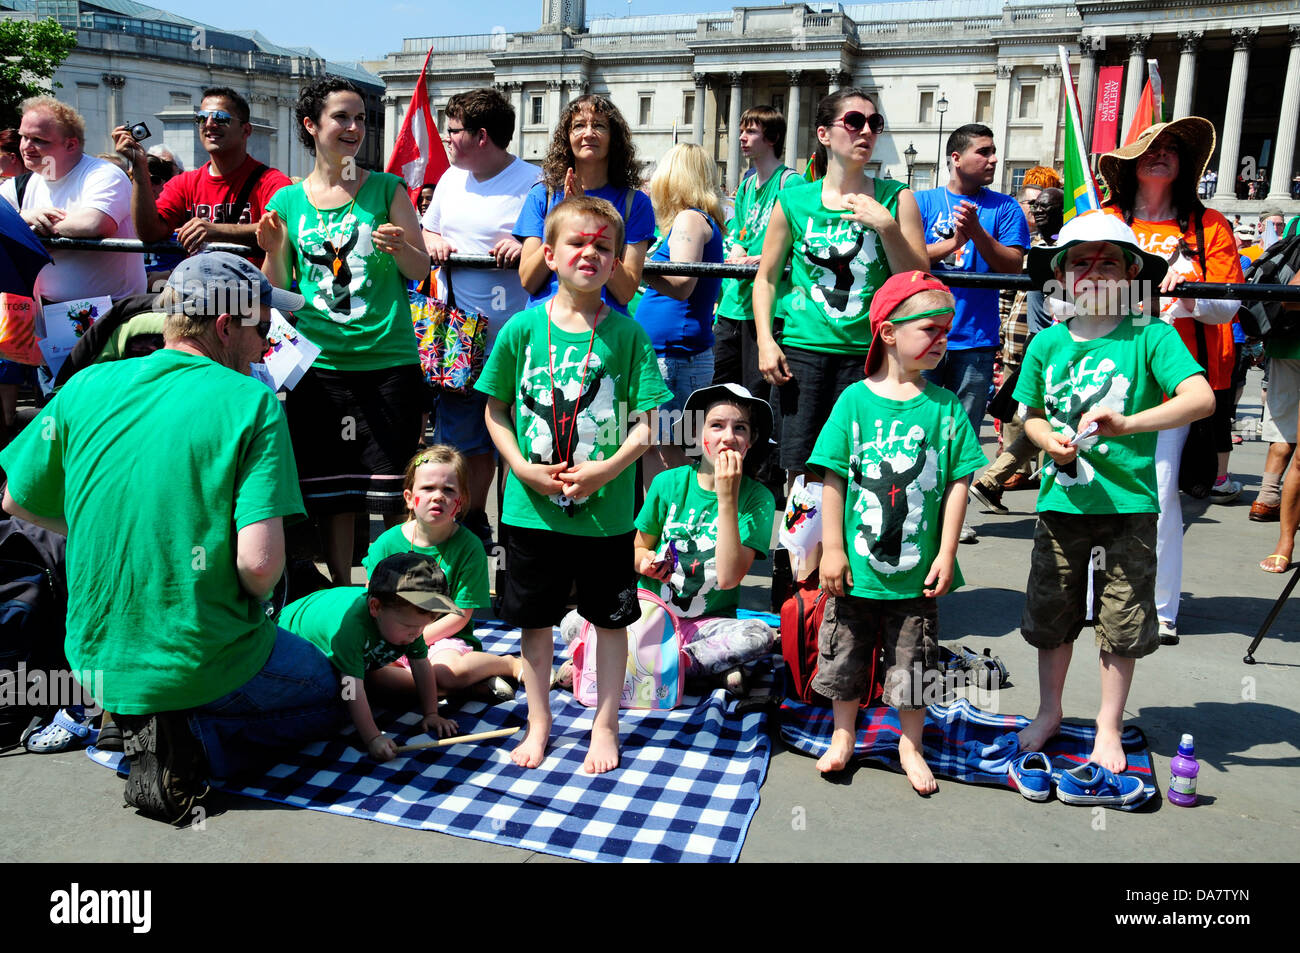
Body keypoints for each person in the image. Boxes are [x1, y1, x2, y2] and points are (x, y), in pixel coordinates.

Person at [0, 252, 344, 822]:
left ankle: (136, 717)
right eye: (263, 328)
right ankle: (190, 739)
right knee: (328, 695)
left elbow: (17, 500)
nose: (268, 346)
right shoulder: (253, 402)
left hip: (94, 662)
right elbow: (259, 569)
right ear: (226, 326)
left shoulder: (87, 383)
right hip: (201, 657)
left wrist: (100, 527)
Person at [476, 195, 672, 774]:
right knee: (534, 623)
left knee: (611, 621)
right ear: (550, 254)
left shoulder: (629, 335)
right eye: (577, 243)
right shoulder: (520, 329)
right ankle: (540, 722)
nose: (590, 253)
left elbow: (650, 424)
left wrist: (607, 471)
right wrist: (521, 468)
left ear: (616, 263)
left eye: (603, 247)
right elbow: (496, 411)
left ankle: (605, 724)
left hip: (605, 516)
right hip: (531, 513)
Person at [1014, 212, 1213, 772]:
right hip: (1060, 503)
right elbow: (1028, 416)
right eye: (1081, 261)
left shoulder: (1152, 335)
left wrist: (1130, 424)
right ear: (1062, 275)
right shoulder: (1047, 342)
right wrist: (1046, 438)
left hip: (1129, 506)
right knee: (1052, 614)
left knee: (1122, 620)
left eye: (1109, 261)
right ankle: (1049, 710)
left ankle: (1108, 725)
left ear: (1131, 274)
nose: (1094, 271)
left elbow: (1200, 399)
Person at [806, 271, 986, 792]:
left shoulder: (946, 406)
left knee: (915, 659)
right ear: (888, 333)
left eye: (947, 331)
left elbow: (958, 482)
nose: (941, 341)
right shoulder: (854, 402)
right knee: (844, 649)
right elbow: (833, 478)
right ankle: (844, 734)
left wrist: (948, 553)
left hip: (915, 572)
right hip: (856, 568)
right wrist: (833, 550)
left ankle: (912, 744)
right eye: (930, 328)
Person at [258, 77, 429, 585]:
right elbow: (279, 291)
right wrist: (270, 249)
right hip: (319, 368)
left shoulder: (387, 188)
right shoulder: (288, 200)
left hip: (388, 362)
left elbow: (420, 271)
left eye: (360, 118)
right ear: (312, 125)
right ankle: (341, 592)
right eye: (342, 117)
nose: (355, 128)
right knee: (335, 494)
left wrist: (401, 247)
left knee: (396, 487)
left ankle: (402, 589)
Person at [753, 88, 928, 576]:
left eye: (876, 123)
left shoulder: (898, 199)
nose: (868, 131)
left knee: (867, 469)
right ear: (825, 133)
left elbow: (919, 283)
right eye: (855, 121)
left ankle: (860, 578)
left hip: (872, 356)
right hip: (805, 354)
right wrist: (767, 339)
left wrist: (887, 227)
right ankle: (796, 585)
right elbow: (766, 277)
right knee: (804, 474)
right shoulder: (794, 201)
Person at [1099, 118, 1244, 644]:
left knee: (1160, 495)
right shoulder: (1102, 221)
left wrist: (1186, 296)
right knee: (1095, 490)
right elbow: (1061, 291)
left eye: (1170, 151)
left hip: (1170, 384)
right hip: (1098, 375)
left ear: (1183, 166)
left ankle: (1158, 607)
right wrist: (1138, 295)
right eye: (1149, 149)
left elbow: (1227, 305)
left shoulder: (1210, 227)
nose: (1160, 156)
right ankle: (1098, 597)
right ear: (1131, 164)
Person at [558, 384, 777, 692]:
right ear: (699, 435)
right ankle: (700, 670)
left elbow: (728, 578)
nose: (728, 437)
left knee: (759, 635)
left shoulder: (758, 499)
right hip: (647, 615)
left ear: (751, 441)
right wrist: (645, 562)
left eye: (739, 428)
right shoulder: (667, 482)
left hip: (705, 626)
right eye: (717, 426)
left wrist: (727, 497)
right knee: (571, 622)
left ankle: (665, 663)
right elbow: (636, 549)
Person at [421, 87, 540, 543]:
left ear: (482, 136)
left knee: (522, 439)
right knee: (462, 440)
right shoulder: (451, 178)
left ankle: (518, 531)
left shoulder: (533, 182)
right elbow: (429, 224)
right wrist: (431, 239)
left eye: (453, 131)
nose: (447, 139)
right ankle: (471, 525)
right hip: (458, 336)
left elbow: (549, 238)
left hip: (517, 338)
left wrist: (523, 243)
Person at [915, 123, 1031, 543]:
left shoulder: (1005, 208)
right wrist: (952, 243)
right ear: (955, 157)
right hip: (921, 337)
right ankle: (914, 507)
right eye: (984, 151)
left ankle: (953, 514)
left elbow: (1013, 267)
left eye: (995, 151)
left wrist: (977, 233)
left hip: (976, 340)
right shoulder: (921, 201)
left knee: (960, 432)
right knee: (919, 426)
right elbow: (906, 257)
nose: (994, 159)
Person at [360, 446, 523, 698]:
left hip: (445, 638)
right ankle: (459, 690)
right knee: (373, 675)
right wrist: (396, 639)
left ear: (461, 503)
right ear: (408, 497)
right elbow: (372, 601)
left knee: (446, 673)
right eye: (427, 488)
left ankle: (508, 664)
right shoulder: (386, 543)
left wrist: (414, 640)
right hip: (393, 635)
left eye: (448, 490)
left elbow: (460, 614)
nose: (438, 496)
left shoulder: (469, 546)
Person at [278, 552, 462, 762]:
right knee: (334, 701)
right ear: (375, 607)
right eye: (409, 627)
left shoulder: (409, 624)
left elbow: (421, 664)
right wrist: (373, 737)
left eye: (423, 626)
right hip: (289, 637)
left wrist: (431, 713)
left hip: (327, 621)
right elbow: (351, 688)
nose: (417, 633)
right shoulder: (350, 631)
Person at [970, 186, 1064, 515]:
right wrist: (1002, 334)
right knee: (1031, 419)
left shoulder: (1068, 249)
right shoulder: (1034, 251)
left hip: (1041, 345)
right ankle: (997, 478)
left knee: (1039, 420)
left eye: (1046, 207)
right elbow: (1009, 294)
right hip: (1031, 344)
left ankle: (996, 479)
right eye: (1034, 206)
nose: (1037, 211)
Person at [514, 94, 655, 312]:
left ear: (613, 137)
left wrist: (586, 214)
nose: (588, 133)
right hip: (547, 325)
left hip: (605, 330)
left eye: (599, 125)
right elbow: (528, 281)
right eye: (579, 125)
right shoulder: (542, 195)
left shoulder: (636, 203)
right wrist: (565, 218)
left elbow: (626, 291)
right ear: (567, 138)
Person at [635, 143, 725, 479]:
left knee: (665, 452)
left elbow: (683, 282)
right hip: (675, 352)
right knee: (661, 447)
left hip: (674, 354)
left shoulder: (689, 218)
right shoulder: (697, 220)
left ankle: (666, 527)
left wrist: (635, 266)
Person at [115, 87, 291, 261]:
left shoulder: (272, 182)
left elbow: (282, 230)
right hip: (198, 286)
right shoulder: (184, 183)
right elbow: (149, 232)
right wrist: (139, 167)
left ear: (245, 130)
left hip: (251, 288)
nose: (209, 124)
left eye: (221, 118)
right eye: (201, 118)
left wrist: (215, 230)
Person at [1, 96, 146, 305]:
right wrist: (25, 216)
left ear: (71, 145)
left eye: (39, 140)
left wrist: (25, 231)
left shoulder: (104, 174)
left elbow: (93, 224)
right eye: (23, 137)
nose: (26, 147)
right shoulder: (21, 185)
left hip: (110, 311)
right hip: (42, 311)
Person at [713, 106, 799, 398]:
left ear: (772, 138)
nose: (741, 138)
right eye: (741, 131)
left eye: (751, 131)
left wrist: (766, 258)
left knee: (756, 392)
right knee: (721, 388)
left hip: (766, 306)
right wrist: (736, 251)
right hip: (733, 304)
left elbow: (801, 242)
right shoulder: (747, 184)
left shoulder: (791, 182)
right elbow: (741, 233)